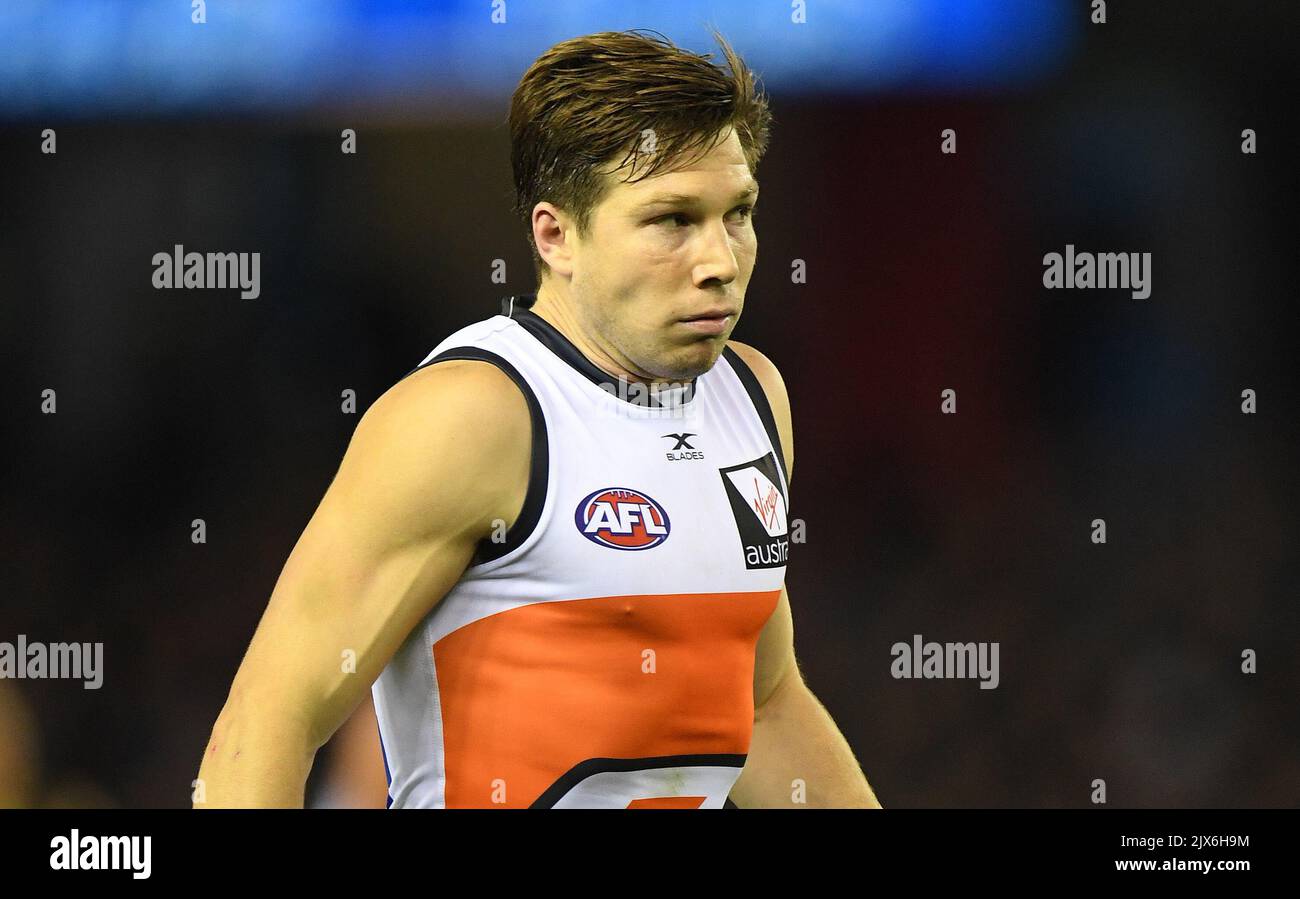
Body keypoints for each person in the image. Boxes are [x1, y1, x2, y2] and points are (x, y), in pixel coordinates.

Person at [196, 28, 881, 809]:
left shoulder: (754, 398)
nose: (721, 259)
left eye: (739, 213)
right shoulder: (475, 415)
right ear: (556, 235)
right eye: (672, 220)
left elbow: (766, 701)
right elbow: (267, 718)